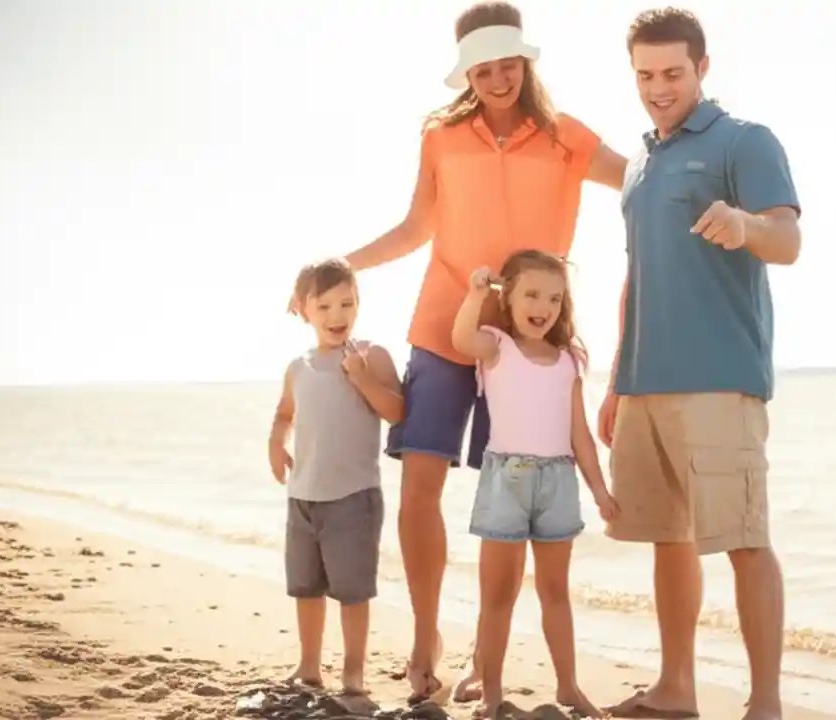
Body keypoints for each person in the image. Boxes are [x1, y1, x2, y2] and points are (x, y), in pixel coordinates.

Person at [344, 0, 627, 703]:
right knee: (420, 487)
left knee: (509, 492)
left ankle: (483, 656)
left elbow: (645, 180)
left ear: (524, 63)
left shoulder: (566, 138)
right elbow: (418, 226)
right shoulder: (443, 137)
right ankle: (425, 637)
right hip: (447, 325)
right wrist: (344, 264)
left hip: (530, 343)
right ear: (465, 72)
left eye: (508, 65)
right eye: (484, 69)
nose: (498, 79)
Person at [596, 8, 803, 720]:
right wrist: (617, 381)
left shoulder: (743, 142)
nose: (658, 88)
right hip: (644, 384)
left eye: (673, 73)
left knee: (744, 540)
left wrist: (745, 225)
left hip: (721, 379)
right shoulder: (640, 165)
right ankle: (676, 690)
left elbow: (787, 238)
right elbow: (637, 277)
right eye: (645, 75)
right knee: (668, 541)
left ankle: (766, 703)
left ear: (703, 67)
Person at [451, 250, 618, 719]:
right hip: (507, 479)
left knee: (555, 591)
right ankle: (492, 690)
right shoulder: (496, 345)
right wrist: (475, 292)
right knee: (498, 594)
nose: (542, 306)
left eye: (554, 298)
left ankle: (569, 686)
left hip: (559, 481)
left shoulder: (569, 361)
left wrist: (601, 491)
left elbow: (580, 434)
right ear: (509, 298)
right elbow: (460, 337)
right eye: (531, 294)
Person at [268, 258, 405, 695]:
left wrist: (363, 380)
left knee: (352, 591)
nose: (337, 316)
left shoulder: (371, 355)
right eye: (324, 306)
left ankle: (353, 671)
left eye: (346, 303)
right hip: (303, 496)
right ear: (303, 309)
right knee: (305, 588)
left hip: (354, 497)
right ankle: (309, 666)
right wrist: (276, 443)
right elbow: (284, 413)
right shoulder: (298, 367)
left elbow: (397, 412)